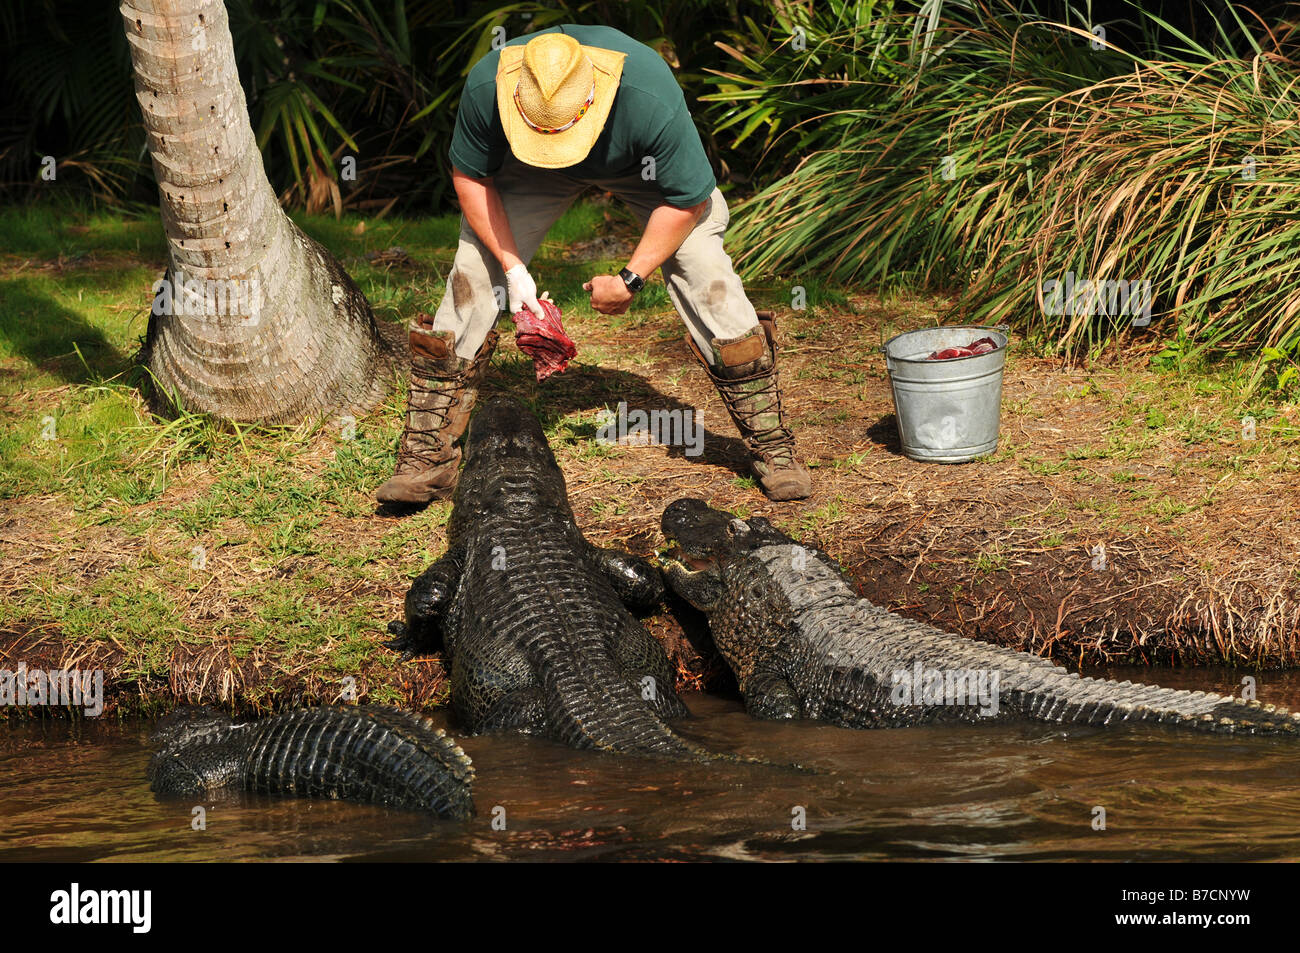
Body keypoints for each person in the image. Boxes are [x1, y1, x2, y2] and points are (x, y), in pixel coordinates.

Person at [375, 24, 812, 506]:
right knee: (473, 274)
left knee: (708, 275)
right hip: (530, 167)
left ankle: (774, 446)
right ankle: (425, 458)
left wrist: (631, 278)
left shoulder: (648, 95)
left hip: (639, 169)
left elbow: (686, 201)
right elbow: (471, 176)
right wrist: (512, 267)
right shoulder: (489, 85)